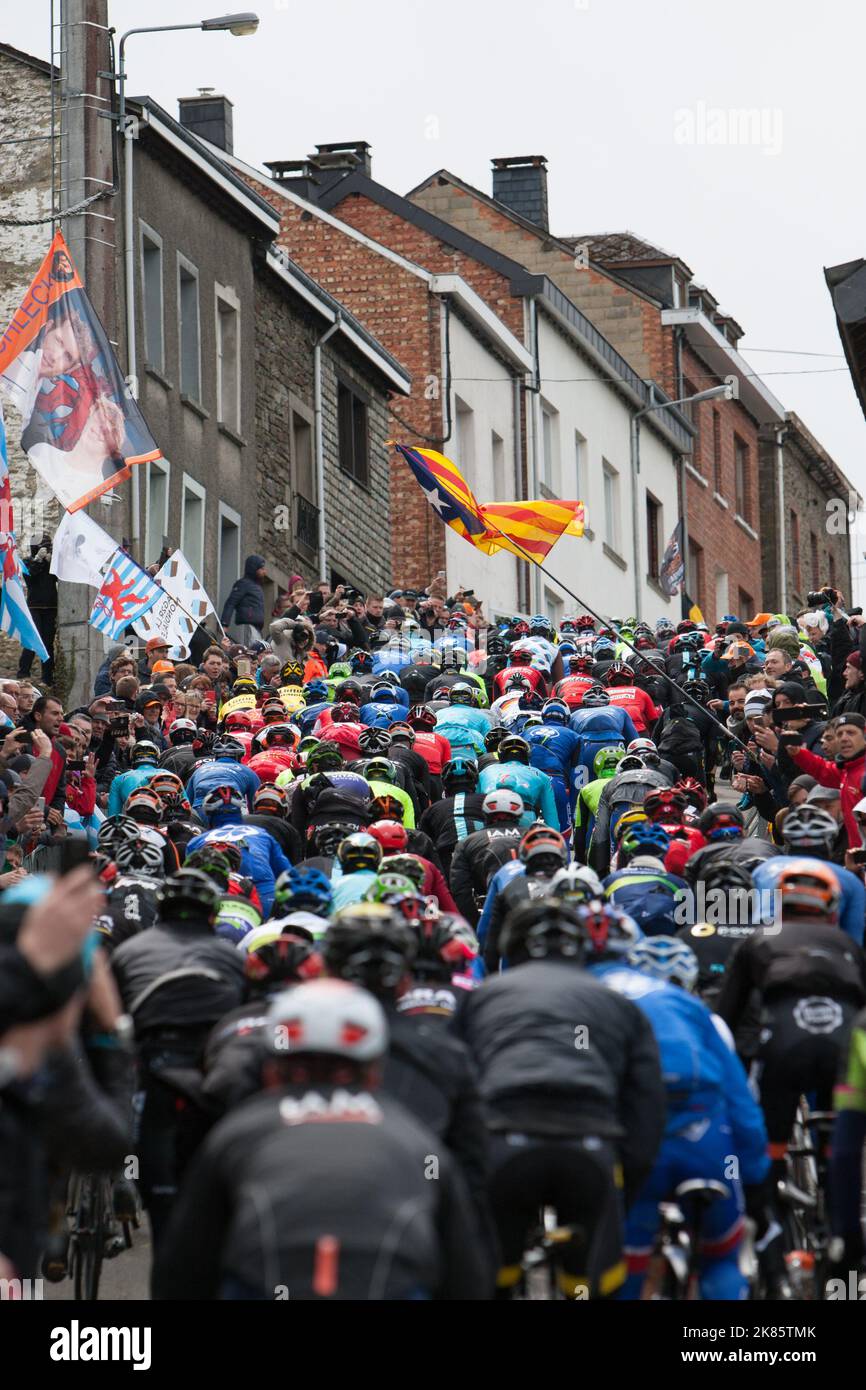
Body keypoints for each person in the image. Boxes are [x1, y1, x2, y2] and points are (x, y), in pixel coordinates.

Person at [152, 979, 489, 1299]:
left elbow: (180, 1270)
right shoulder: (416, 1139)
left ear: (271, 1069)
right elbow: (468, 1279)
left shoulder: (235, 1133)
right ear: (375, 1073)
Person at [458, 897, 664, 1297]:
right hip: (589, 1145)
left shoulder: (483, 995)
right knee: (592, 1284)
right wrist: (624, 1184)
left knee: (490, 1277)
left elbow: (455, 1087)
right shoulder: (617, 1003)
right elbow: (646, 1106)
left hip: (503, 1140)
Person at [17, 533, 58, 688]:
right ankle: (23, 673)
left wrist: (52, 562)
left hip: (50, 606)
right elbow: (30, 576)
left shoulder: (51, 563)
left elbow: (59, 577)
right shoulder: (27, 561)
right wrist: (38, 560)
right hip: (34, 606)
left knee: (48, 643)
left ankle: (48, 677)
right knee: (32, 639)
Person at [221, 555, 267, 644]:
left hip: (256, 629)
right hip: (247, 627)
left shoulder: (257, 586)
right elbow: (230, 603)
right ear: (254, 569)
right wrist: (224, 623)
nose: (264, 571)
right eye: (261, 568)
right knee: (249, 654)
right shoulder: (243, 584)